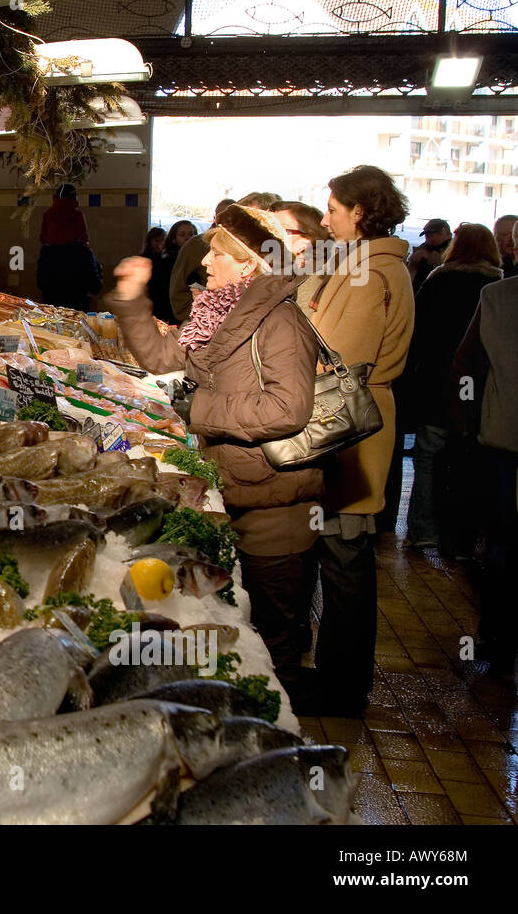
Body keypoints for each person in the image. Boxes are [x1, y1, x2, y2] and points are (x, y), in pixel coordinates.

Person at [104, 205, 322, 704]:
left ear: (248, 264)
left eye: (216, 254)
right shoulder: (216, 313)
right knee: (240, 623)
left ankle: (279, 737)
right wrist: (133, 299)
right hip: (231, 487)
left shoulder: (280, 320)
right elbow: (162, 358)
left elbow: (289, 408)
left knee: (272, 638)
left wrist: (201, 408)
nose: (205, 263)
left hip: (275, 501)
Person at [304, 165, 414, 715]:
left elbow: (340, 354)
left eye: (332, 210)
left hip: (350, 424)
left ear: (361, 212)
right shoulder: (358, 264)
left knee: (345, 555)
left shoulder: (374, 272)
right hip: (344, 419)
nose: (325, 220)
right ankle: (334, 677)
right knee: (338, 552)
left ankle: (343, 687)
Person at [403, 224, 503, 552]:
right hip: (477, 387)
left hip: (435, 384)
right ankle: (460, 537)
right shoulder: (497, 285)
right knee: (467, 461)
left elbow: (417, 335)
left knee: (428, 457)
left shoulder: (439, 280)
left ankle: (422, 530)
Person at [451, 276, 518, 667]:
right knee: (503, 545)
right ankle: (499, 637)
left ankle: (498, 637)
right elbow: (466, 366)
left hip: (500, 439)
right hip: (501, 442)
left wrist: (465, 419)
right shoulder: (495, 295)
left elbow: (466, 365)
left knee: (503, 545)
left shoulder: (497, 296)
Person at [169, 197, 252, 322]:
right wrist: (192, 318)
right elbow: (178, 285)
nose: (206, 261)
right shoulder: (196, 244)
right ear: (216, 217)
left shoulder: (245, 246)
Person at [36, 183, 100, 310]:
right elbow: (95, 286)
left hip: (53, 304)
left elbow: (40, 282)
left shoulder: (47, 251)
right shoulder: (77, 217)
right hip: (77, 302)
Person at [268, 201, 327, 307]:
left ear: (308, 237)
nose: (271, 236)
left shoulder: (317, 277)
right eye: (268, 229)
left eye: (280, 230)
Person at [408, 217, 451, 292]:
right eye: (427, 235)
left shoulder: (454, 249)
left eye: (432, 235)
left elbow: (450, 266)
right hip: (416, 293)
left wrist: (429, 256)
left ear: (445, 233)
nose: (430, 238)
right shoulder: (422, 248)